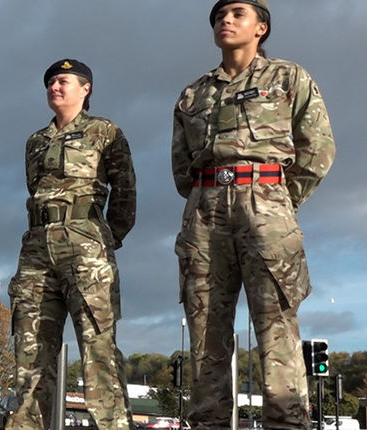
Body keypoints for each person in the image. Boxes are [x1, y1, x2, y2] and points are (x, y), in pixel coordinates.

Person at [172, 1, 335, 428]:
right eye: (218, 16)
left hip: (266, 209)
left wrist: (276, 198)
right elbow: (180, 168)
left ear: (261, 27)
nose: (225, 20)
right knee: (205, 334)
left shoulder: (288, 77)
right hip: (204, 214)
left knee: (275, 330)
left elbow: (318, 150)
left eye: (237, 13)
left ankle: (286, 424)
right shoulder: (193, 93)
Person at [5, 59, 136, 430]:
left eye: (63, 81)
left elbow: (125, 192)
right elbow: (36, 190)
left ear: (86, 88)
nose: (55, 87)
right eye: (50, 83)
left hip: (86, 243)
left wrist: (107, 238)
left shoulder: (105, 132)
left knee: (98, 348)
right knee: (29, 352)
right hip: (36, 247)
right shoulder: (36, 141)